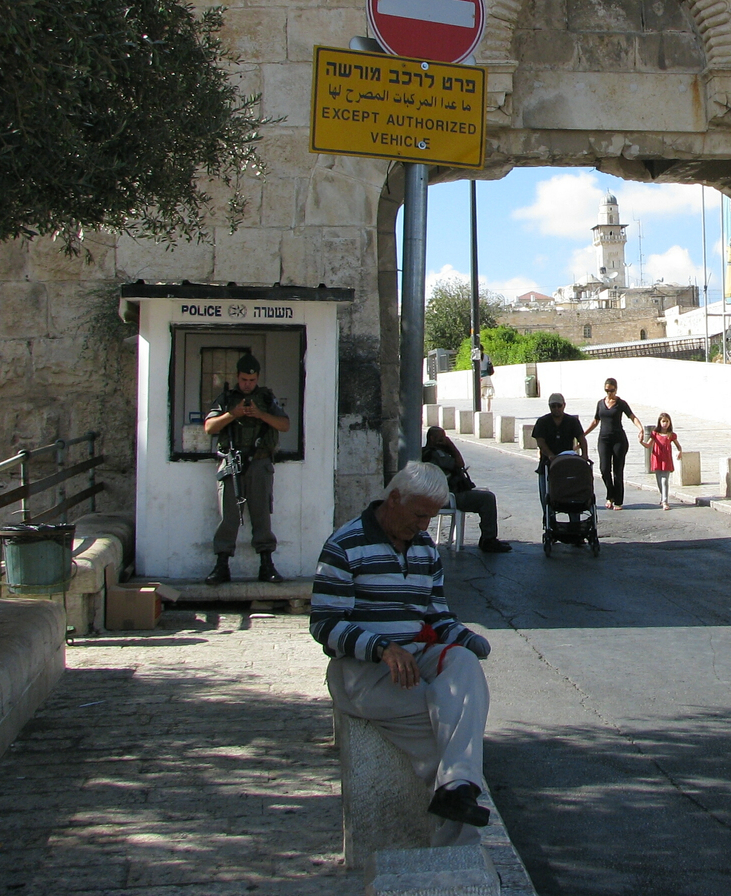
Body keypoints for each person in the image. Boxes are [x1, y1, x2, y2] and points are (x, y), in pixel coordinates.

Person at [313, 462, 495, 846]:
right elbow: (325, 625)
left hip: (414, 659)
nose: (425, 526)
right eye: (418, 515)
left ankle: (454, 790)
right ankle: (457, 806)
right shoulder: (345, 545)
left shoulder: (425, 549)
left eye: (430, 517)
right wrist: (381, 647)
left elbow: (437, 615)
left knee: (463, 663)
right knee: (450, 736)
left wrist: (465, 638)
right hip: (362, 671)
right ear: (393, 499)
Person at [201, 353, 290, 585]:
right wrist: (233, 414)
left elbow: (285, 425)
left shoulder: (267, 399)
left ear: (257, 378)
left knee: (261, 515)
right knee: (228, 516)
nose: (247, 384)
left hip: (260, 463)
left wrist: (260, 415)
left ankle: (266, 564)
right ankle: (221, 565)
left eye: (251, 380)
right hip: (232, 463)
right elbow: (209, 427)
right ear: (237, 377)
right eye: (243, 380)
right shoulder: (227, 399)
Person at [421, 425, 512, 554]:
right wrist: (451, 445)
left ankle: (488, 538)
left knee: (484, 495)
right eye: (442, 437)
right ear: (432, 438)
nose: (444, 440)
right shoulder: (435, 454)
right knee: (487, 498)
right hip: (448, 496)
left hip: (446, 494)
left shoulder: (430, 452)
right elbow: (459, 463)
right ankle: (488, 539)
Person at [584, 377, 641, 510]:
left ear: (616, 389)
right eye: (606, 390)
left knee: (617, 471)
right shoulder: (600, 403)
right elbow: (595, 421)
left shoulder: (621, 403)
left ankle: (618, 501)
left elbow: (632, 416)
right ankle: (610, 494)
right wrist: (583, 435)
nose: (609, 393)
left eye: (611, 390)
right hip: (604, 439)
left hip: (619, 440)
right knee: (604, 469)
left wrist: (640, 429)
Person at [533, 393, 588, 523]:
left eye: (559, 406)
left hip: (568, 464)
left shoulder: (572, 421)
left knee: (572, 495)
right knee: (547, 496)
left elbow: (581, 438)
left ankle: (575, 523)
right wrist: (550, 455)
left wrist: (584, 455)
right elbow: (540, 441)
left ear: (564, 406)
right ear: (549, 406)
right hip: (548, 463)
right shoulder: (543, 422)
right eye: (553, 406)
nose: (556, 409)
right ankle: (549, 521)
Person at [639, 413, 683, 510]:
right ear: (659, 422)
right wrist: (641, 442)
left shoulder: (671, 435)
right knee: (659, 481)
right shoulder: (655, 434)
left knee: (665, 480)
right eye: (663, 421)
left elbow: (678, 446)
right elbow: (648, 445)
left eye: (667, 421)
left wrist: (680, 452)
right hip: (657, 459)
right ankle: (662, 497)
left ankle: (665, 501)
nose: (665, 423)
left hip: (666, 460)